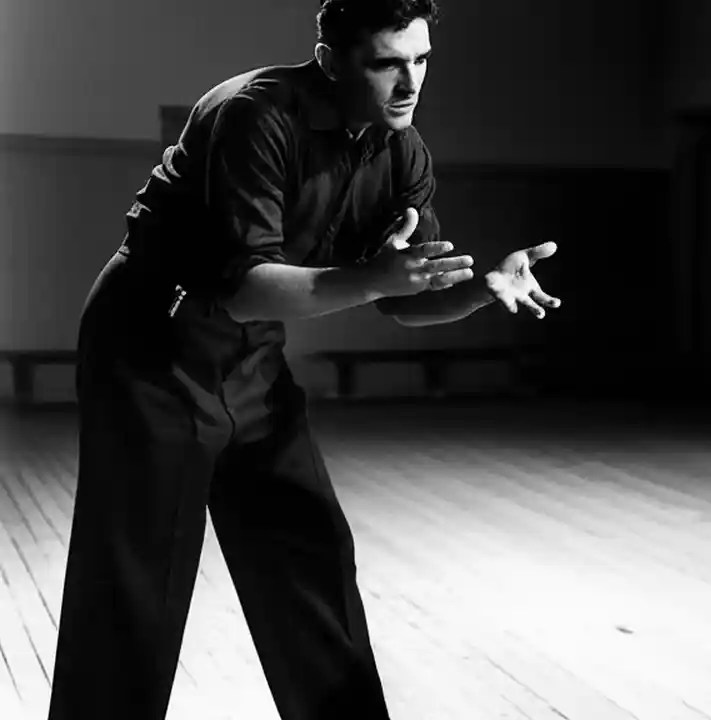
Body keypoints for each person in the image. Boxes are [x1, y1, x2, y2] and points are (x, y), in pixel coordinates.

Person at [47, 1, 561, 718]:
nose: (409, 82)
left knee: (310, 547)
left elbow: (404, 297)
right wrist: (376, 279)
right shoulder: (254, 116)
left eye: (421, 61)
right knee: (136, 584)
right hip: (150, 351)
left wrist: (479, 290)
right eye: (387, 63)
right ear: (331, 61)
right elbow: (247, 288)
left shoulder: (401, 149)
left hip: (250, 360)